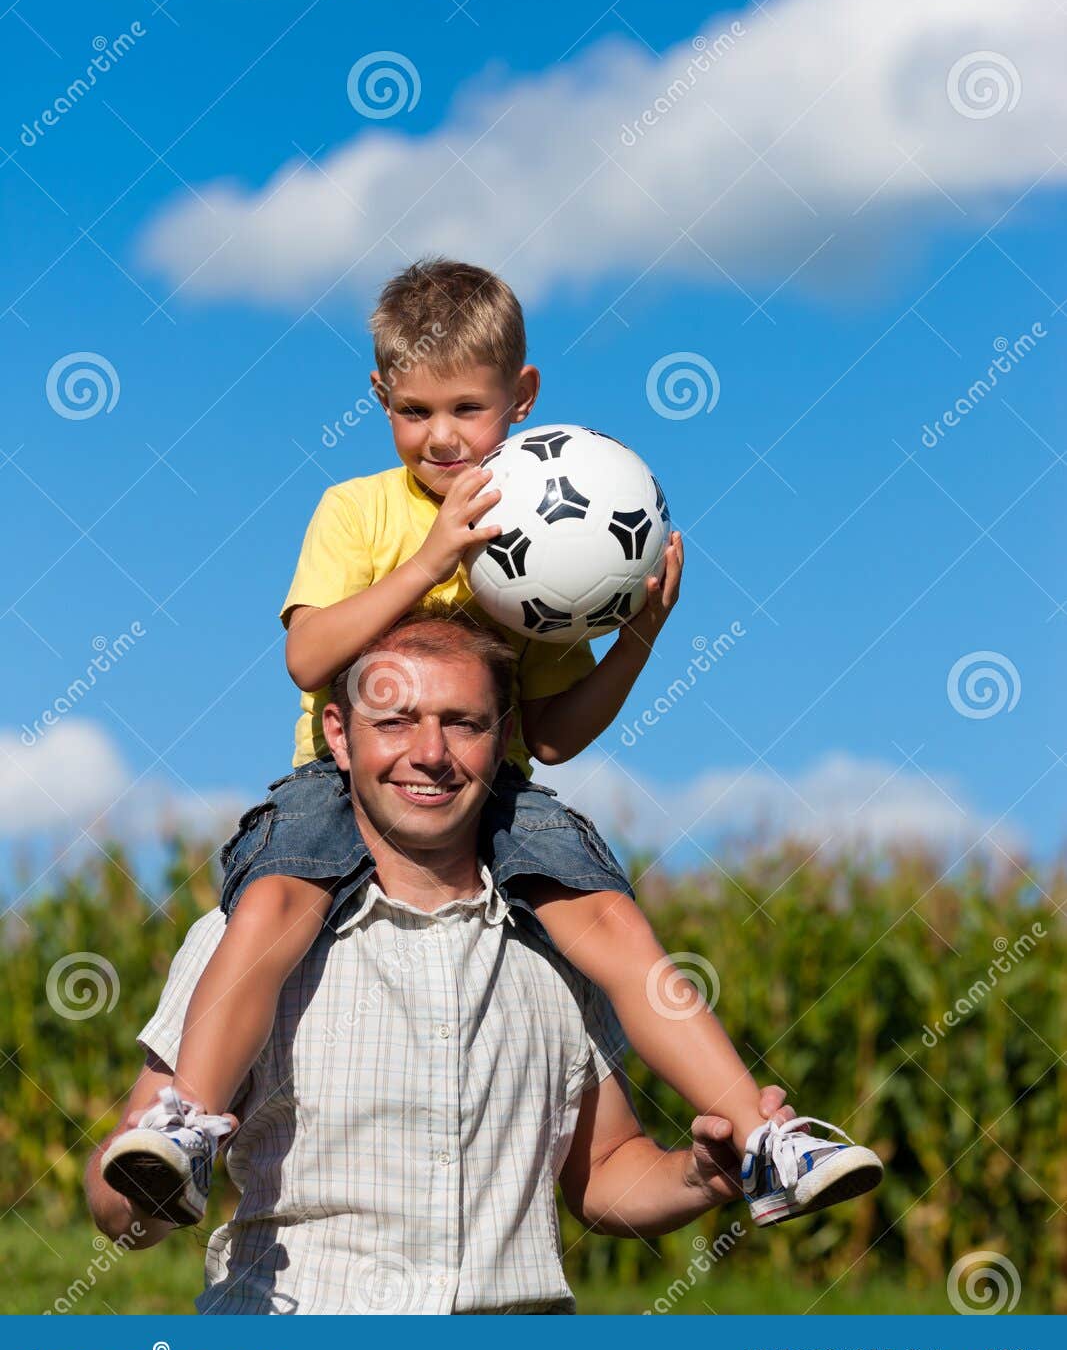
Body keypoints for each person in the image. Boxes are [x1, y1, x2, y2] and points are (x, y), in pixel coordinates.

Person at [100, 258, 882, 1233]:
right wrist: (431, 561)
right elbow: (308, 656)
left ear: (521, 398)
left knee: (613, 924)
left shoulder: (547, 525)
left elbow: (551, 736)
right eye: (413, 410)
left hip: (496, 789)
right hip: (335, 785)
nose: (439, 436)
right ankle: (187, 1127)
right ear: (380, 396)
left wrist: (634, 641)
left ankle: (762, 1136)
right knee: (272, 901)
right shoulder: (358, 511)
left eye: (466, 408)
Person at [89, 613, 802, 1314]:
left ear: (504, 737)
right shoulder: (243, 938)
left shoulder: (561, 944)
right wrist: (142, 1197)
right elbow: (118, 1200)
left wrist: (700, 1178)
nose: (430, 752)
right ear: (338, 736)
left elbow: (605, 1174)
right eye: (395, 721)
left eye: (462, 722)